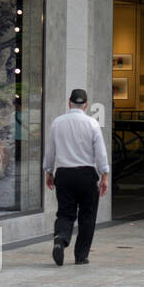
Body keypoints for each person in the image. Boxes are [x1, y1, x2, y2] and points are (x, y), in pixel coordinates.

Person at [44, 88, 110, 266]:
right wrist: (104, 174)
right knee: (87, 215)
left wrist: (49, 171)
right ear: (86, 104)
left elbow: (50, 150)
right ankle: (81, 255)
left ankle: (61, 237)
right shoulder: (92, 124)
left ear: (69, 102)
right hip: (86, 174)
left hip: (64, 173)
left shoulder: (57, 123)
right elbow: (100, 152)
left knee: (65, 212)